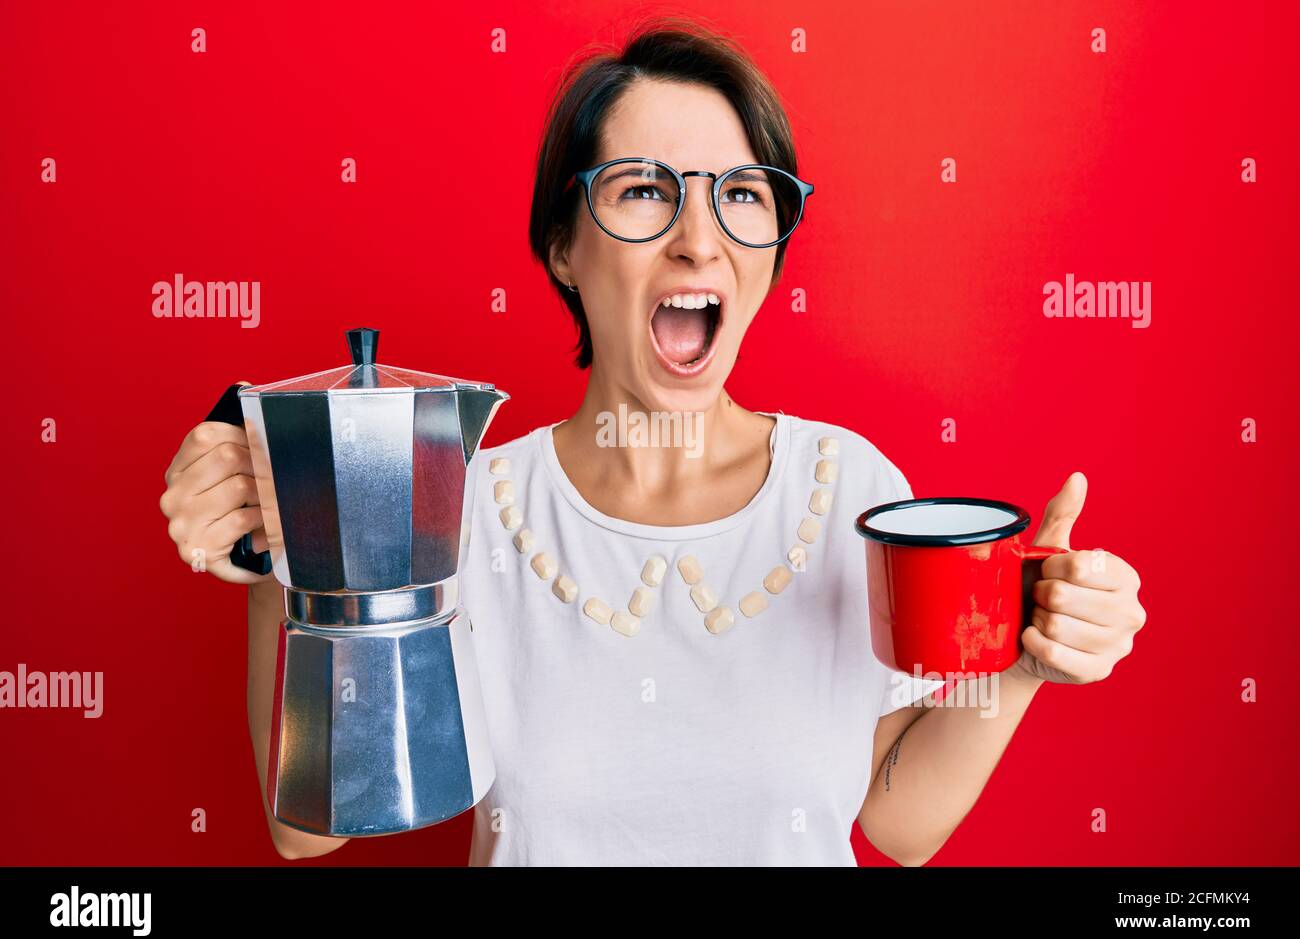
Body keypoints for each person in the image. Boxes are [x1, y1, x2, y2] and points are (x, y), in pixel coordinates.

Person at [160, 18, 1146, 866]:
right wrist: (277, 544)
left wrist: (1020, 660)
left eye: (742, 193)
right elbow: (310, 832)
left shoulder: (851, 486)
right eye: (643, 190)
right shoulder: (457, 504)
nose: (698, 238)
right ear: (561, 246)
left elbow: (896, 818)